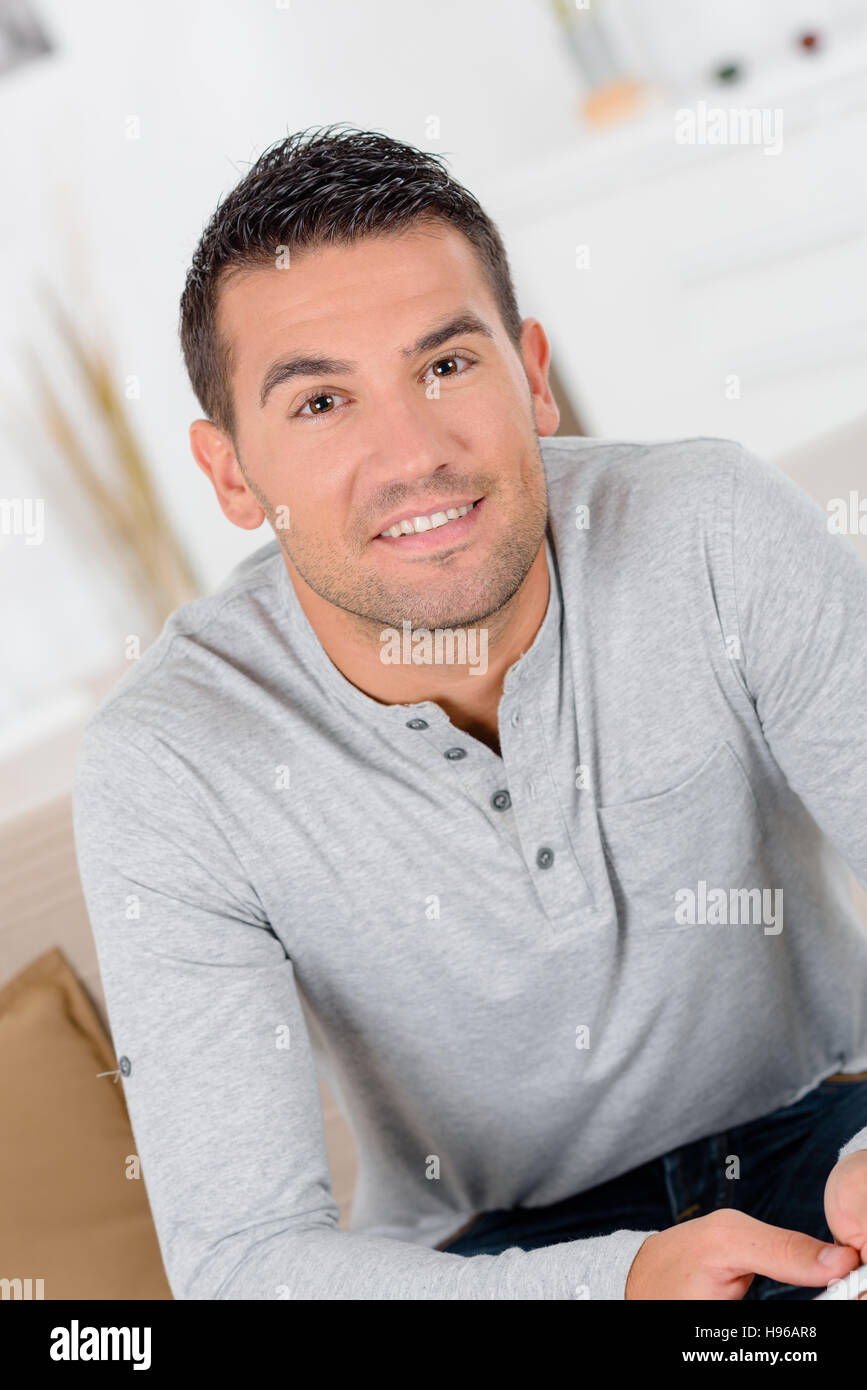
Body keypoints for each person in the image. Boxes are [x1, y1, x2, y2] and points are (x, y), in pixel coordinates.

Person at [73, 125, 867, 1300]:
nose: (414, 454)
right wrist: (614, 1286)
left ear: (532, 373)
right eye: (323, 401)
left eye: (446, 365)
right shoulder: (168, 763)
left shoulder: (716, 529)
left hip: (824, 1139)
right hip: (491, 1259)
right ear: (231, 472)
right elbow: (241, 1263)